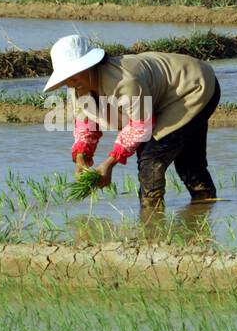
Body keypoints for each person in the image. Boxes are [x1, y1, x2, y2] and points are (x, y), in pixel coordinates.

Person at [43, 34, 221, 209]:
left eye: (74, 76)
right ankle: (203, 208)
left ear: (91, 66)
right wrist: (81, 157)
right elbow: (85, 124)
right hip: (164, 95)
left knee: (152, 157)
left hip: (193, 88)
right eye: (66, 79)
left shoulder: (125, 81)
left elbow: (140, 126)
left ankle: (152, 216)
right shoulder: (79, 87)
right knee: (188, 159)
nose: (70, 84)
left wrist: (108, 164)